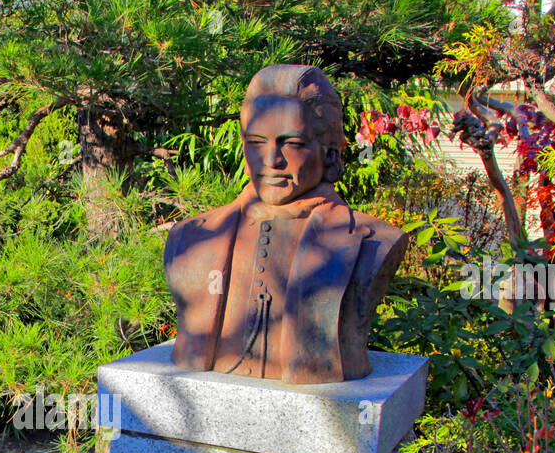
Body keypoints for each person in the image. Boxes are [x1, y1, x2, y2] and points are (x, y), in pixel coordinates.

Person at [164, 65, 408, 384]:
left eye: (291, 142)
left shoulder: (375, 242)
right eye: (256, 142)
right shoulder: (190, 237)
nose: (271, 161)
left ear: (329, 151)